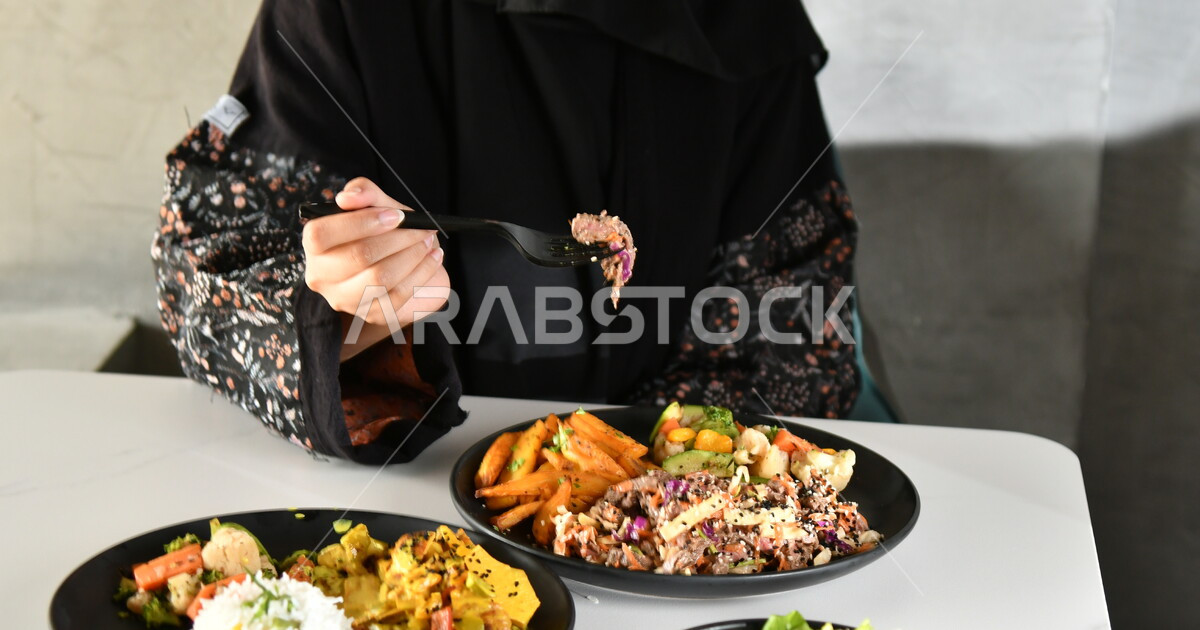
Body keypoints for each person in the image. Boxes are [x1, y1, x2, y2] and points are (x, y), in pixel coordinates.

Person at [152, 0, 861, 464]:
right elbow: (206, 272)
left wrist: (635, 472)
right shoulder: (346, 15)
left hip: (670, 538)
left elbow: (798, 314)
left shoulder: (744, 20)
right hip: (414, 503)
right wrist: (351, 322)